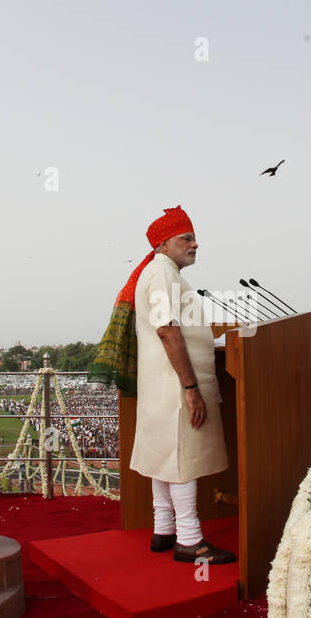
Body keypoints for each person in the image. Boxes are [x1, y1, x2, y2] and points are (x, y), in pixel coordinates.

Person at [93, 206, 233, 564]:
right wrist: (190, 387)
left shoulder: (159, 272)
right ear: (164, 243)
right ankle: (190, 541)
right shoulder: (162, 274)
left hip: (163, 386)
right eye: (186, 237)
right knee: (181, 457)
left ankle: (164, 530)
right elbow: (168, 330)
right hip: (175, 387)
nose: (195, 244)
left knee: (164, 460)